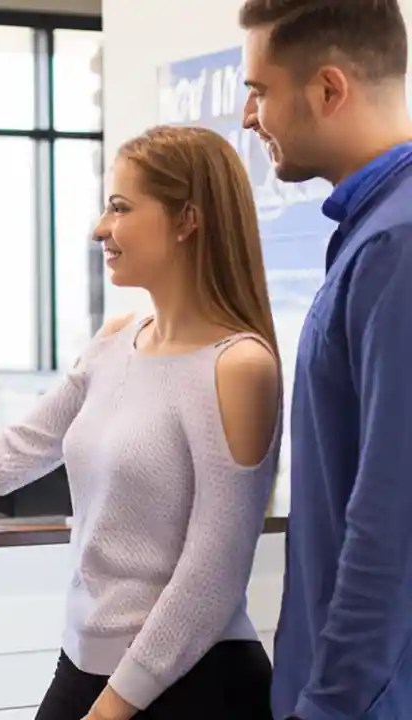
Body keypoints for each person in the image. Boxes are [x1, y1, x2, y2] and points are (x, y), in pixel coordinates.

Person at [0, 125, 282, 720]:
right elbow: (2, 461)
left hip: (196, 685)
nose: (100, 228)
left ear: (187, 220)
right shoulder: (114, 341)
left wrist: (113, 707)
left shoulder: (239, 367)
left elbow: (212, 578)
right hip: (84, 669)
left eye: (120, 208)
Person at [240, 1, 412, 718]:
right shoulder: (374, 230)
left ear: (328, 89)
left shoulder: (396, 244)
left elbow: (394, 518)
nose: (251, 117)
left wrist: (332, 705)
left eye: (259, 90)